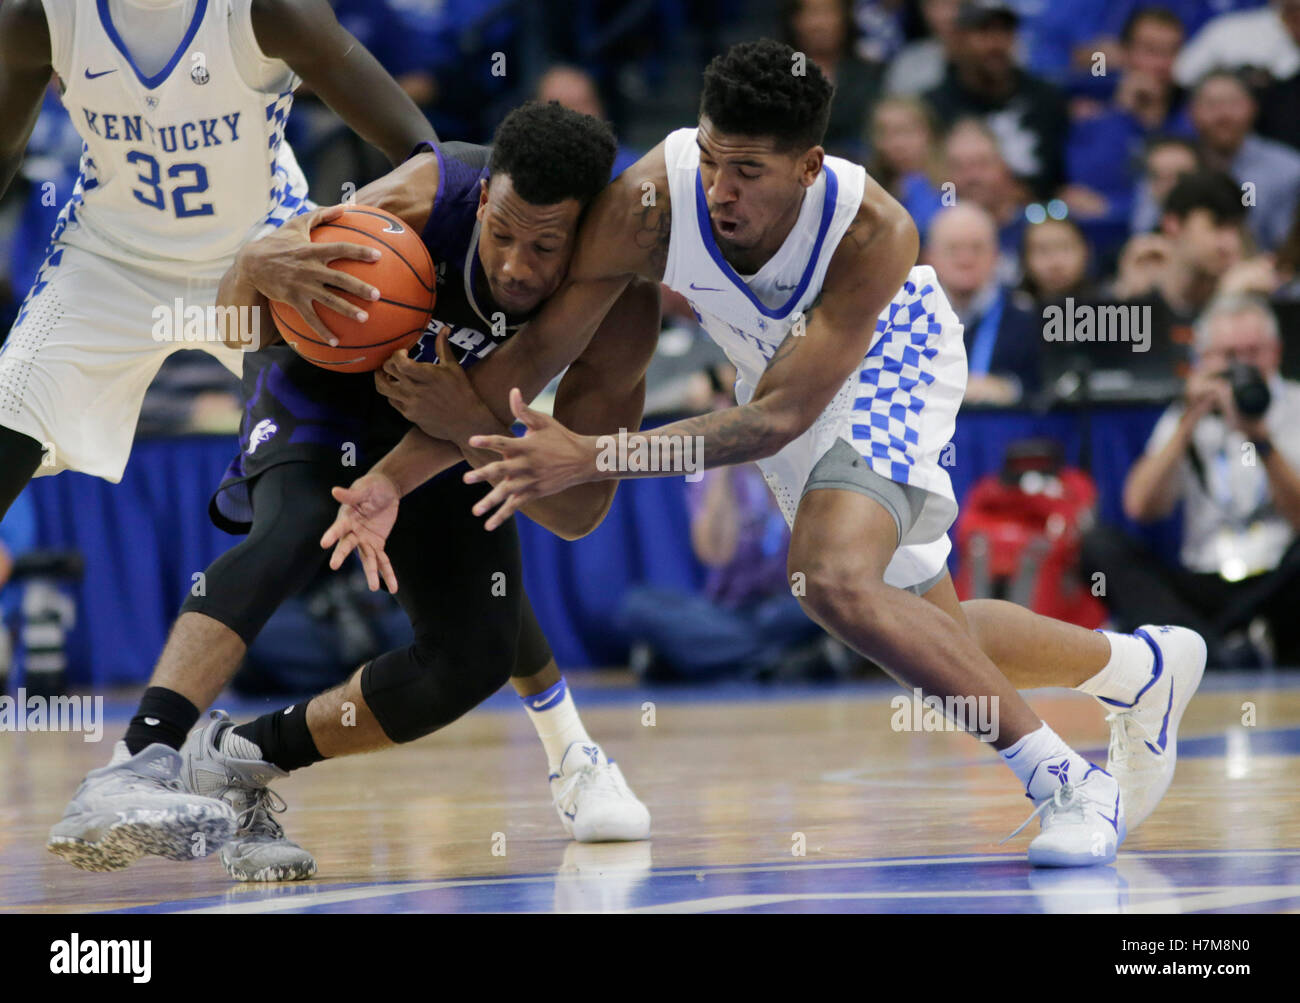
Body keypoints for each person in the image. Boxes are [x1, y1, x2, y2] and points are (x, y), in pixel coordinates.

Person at [363, 39, 1209, 868]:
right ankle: (1142, 668)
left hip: (887, 358)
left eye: (749, 173)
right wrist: (390, 481)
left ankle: (1066, 781)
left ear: (808, 167)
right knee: (929, 635)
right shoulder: (650, 202)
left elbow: (774, 421)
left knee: (831, 577)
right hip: (772, 373)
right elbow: (536, 359)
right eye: (711, 159)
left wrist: (596, 455)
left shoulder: (874, 230)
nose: (720, 191)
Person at [46, 102, 656, 879]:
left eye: (545, 247)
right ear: (486, 197)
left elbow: (577, 510)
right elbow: (242, 324)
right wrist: (249, 269)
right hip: (326, 379)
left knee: (470, 659)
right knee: (292, 526)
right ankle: (136, 759)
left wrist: (466, 424)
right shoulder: (430, 191)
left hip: (442, 415)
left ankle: (242, 755)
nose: (514, 265)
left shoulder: (620, 308)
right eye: (501, 233)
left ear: (589, 233)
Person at [0, 0, 438, 523]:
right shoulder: (39, 15)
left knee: (386, 458)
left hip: (267, 259)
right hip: (106, 264)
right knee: (10, 425)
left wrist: (381, 253)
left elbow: (420, 153)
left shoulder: (271, 11)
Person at [1086, 294, 1300, 666]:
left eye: (1253, 353)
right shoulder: (1186, 414)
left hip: (1277, 580)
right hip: (1204, 577)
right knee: (1101, 546)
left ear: (1276, 352)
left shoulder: (1296, 406)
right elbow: (1141, 507)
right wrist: (1188, 422)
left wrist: (1261, 440)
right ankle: (1219, 650)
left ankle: (1203, 650)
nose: (1242, 366)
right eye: (1228, 356)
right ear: (1202, 360)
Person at [924, 1, 1068, 199]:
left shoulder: (1047, 99)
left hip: (1035, 217)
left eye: (1004, 31)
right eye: (983, 31)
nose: (995, 43)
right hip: (958, 218)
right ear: (958, 40)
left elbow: (1060, 179)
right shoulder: (933, 107)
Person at [926, 203, 1042, 405]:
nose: (965, 259)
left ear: (996, 255)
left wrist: (1010, 389)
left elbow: (1043, 388)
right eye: (953, 249)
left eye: (977, 248)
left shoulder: (1027, 320)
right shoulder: (908, 319)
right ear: (930, 257)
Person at [1112, 168, 1248, 322]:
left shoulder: (1247, 296)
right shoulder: (1134, 294)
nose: (1231, 243)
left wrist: (1234, 300)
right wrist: (1126, 302)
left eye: (1236, 228)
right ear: (1173, 225)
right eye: (1217, 225)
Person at [1190, 70, 1300, 252]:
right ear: (1192, 111)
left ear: (1253, 107)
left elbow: (1288, 245)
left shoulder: (1289, 170)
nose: (1223, 115)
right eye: (1211, 104)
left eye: (1232, 104)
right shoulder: (1177, 163)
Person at [781, 0, 882, 162]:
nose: (820, 24)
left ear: (845, 19)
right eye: (811, 13)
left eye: (828, 13)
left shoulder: (869, 72)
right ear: (795, 20)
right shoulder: (781, 71)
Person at [867, 96, 946, 238]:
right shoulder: (867, 188)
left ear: (929, 134)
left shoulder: (948, 183)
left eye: (906, 131)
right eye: (885, 133)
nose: (897, 144)